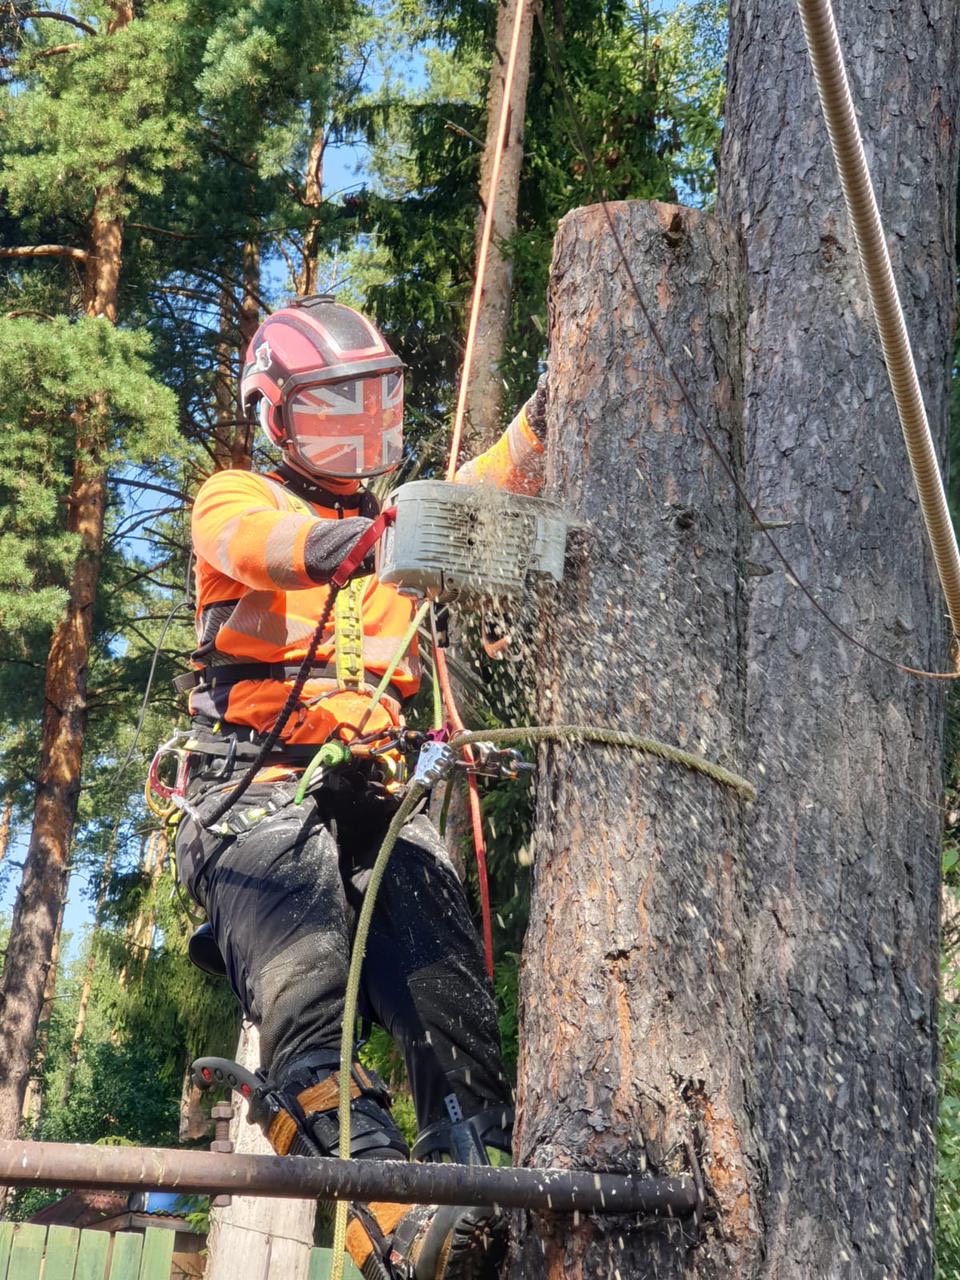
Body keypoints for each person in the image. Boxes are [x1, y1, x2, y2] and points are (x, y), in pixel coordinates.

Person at [173, 294, 546, 1280]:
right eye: (335, 410)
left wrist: (542, 417)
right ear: (278, 418)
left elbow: (482, 484)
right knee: (308, 991)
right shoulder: (238, 498)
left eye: (369, 406)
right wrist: (360, 546)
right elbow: (253, 545)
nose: (358, 433)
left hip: (373, 797)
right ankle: (384, 1216)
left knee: (443, 973)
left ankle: (481, 1190)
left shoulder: (398, 525)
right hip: (254, 792)